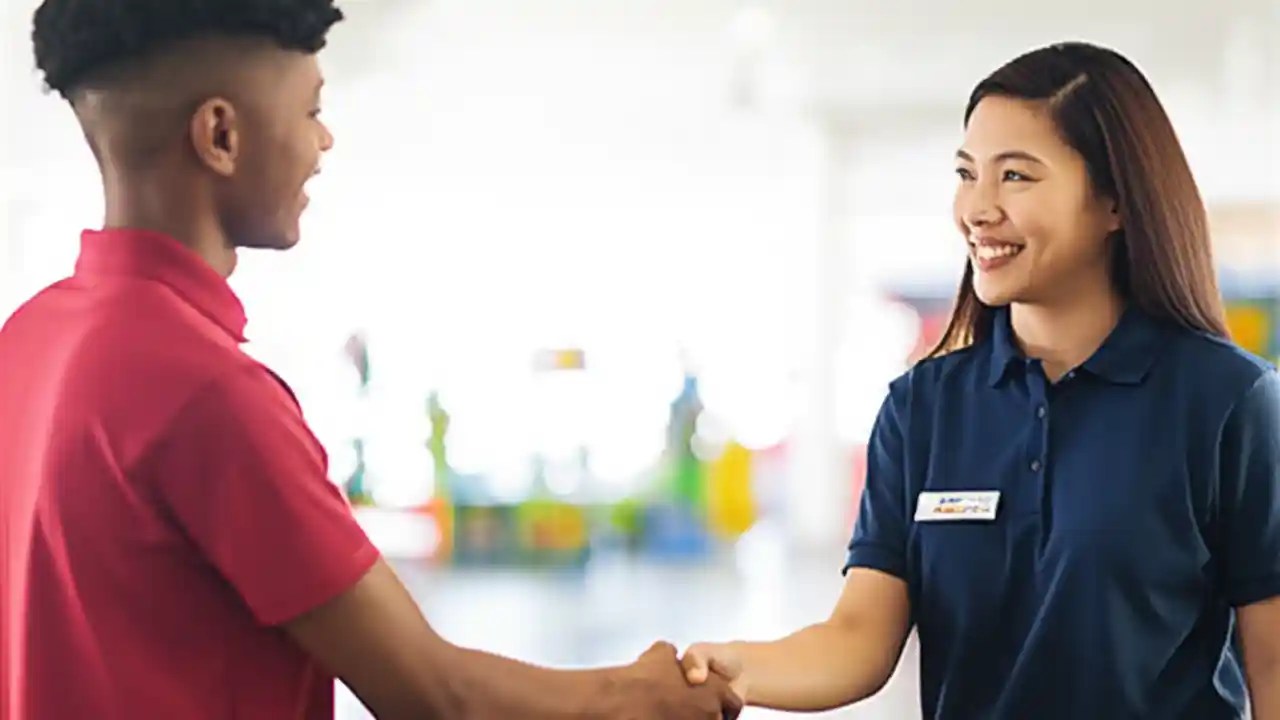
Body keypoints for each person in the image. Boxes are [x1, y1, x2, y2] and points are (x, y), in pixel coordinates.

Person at [0, 2, 743, 719]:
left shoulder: (27, 341)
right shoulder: (206, 392)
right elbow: (435, 697)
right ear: (220, 135)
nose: (323, 144)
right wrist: (636, 698)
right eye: (312, 111)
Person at [681, 41, 1280, 719]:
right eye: (967, 174)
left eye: (1016, 177)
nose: (976, 208)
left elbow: (1274, 663)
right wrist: (741, 669)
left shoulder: (1227, 402)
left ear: (1115, 200)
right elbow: (858, 640)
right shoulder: (922, 410)